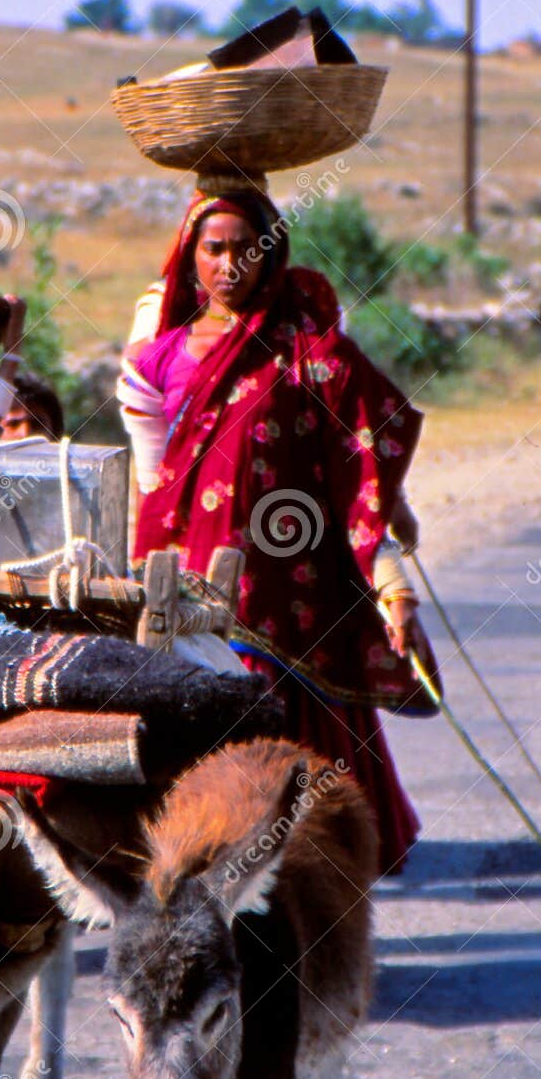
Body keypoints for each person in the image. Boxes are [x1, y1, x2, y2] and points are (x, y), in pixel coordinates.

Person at [117, 179, 436, 876]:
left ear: (272, 255)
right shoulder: (155, 361)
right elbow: (150, 489)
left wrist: (394, 589)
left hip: (293, 605)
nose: (228, 264)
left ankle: (313, 900)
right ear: (189, 256)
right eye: (213, 249)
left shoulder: (316, 359)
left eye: (244, 249)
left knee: (295, 792)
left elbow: (361, 485)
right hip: (187, 601)